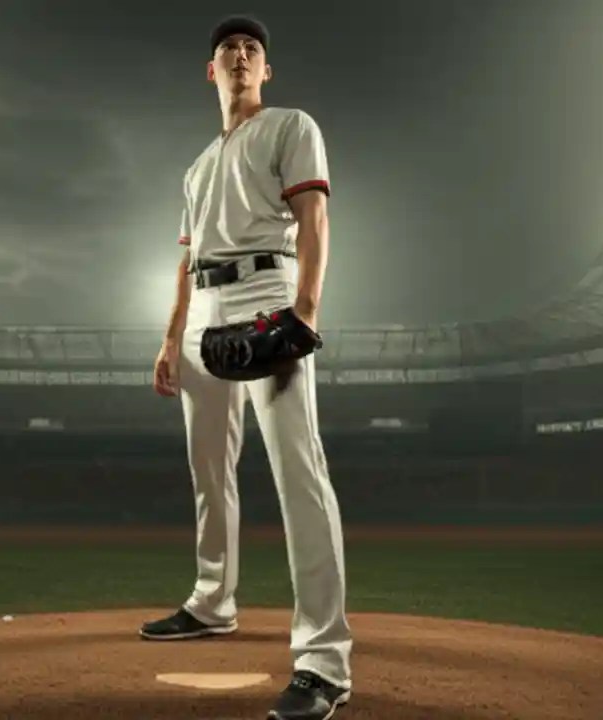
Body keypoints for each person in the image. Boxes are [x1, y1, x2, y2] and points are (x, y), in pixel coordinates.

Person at [140, 15, 352, 720]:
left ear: (266, 70)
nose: (239, 54)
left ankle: (323, 661)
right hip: (203, 309)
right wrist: (172, 340)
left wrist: (306, 313)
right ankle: (212, 601)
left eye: (251, 49)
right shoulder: (197, 167)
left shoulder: (291, 126)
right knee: (209, 470)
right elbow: (185, 260)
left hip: (268, 295)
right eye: (227, 48)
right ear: (210, 71)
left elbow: (314, 218)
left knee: (299, 470)